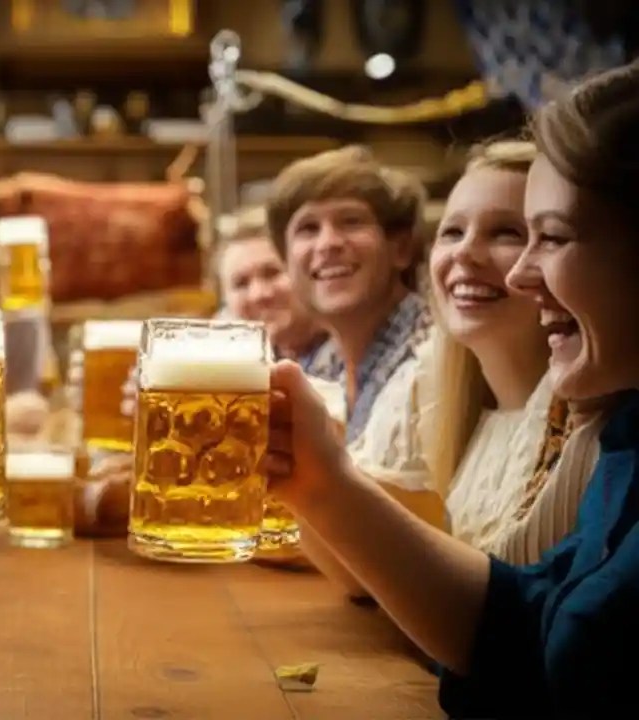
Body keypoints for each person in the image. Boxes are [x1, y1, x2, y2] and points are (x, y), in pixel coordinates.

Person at [265, 60, 639, 716]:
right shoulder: (630, 445)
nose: (525, 273)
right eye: (456, 231)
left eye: (545, 235)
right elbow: (523, 625)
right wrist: (321, 484)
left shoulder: (599, 423)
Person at [266, 147, 433, 443]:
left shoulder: (436, 353)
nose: (328, 243)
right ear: (287, 263)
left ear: (401, 249)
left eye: (351, 221)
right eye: (308, 228)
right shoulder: (321, 369)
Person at [215, 205, 335, 374]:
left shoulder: (350, 354)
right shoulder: (229, 366)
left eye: (272, 273)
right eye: (241, 283)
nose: (259, 294)